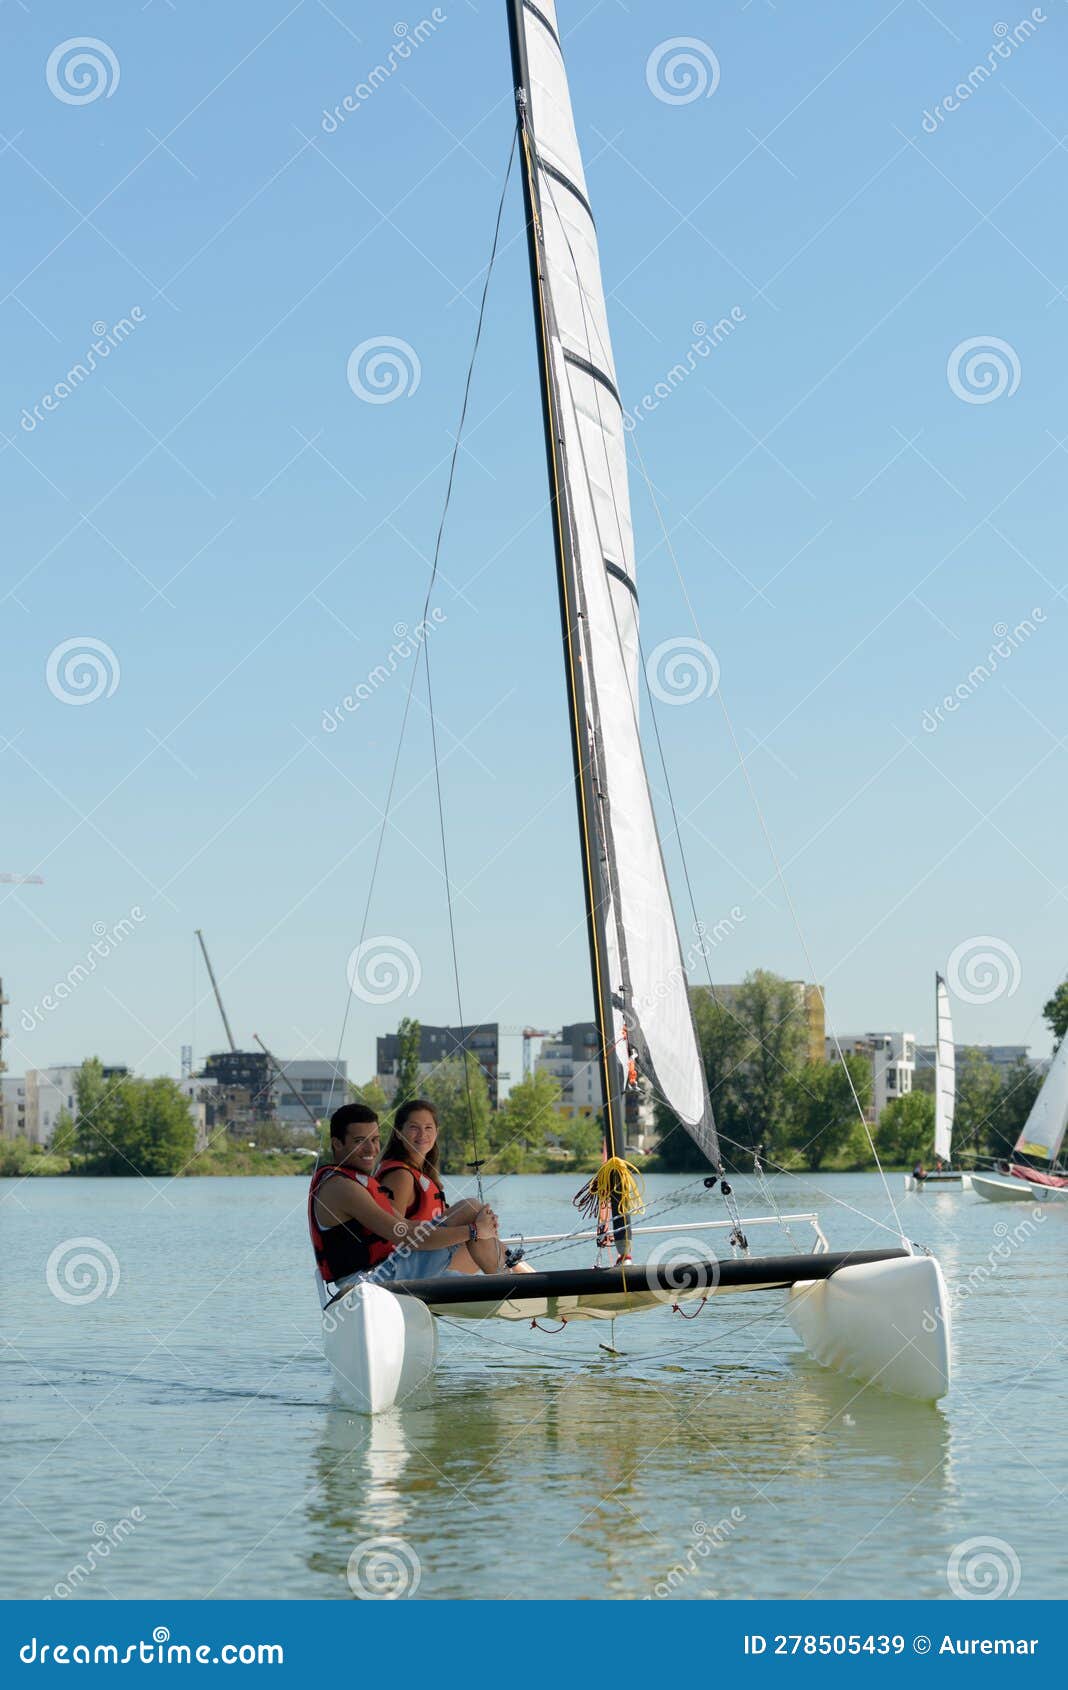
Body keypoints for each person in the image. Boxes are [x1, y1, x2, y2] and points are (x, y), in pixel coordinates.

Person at [309, 1102, 500, 1290]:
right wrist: (474, 1230)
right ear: (337, 1143)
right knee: (471, 1209)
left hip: (382, 1272)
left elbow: (406, 1226)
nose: (371, 1149)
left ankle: (506, 1282)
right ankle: (509, 1287)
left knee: (469, 1223)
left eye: (375, 1140)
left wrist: (456, 1226)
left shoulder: (353, 1181)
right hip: (368, 1283)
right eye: (360, 1141)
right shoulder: (342, 1187)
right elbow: (405, 1235)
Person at [377, 1097, 533, 1275]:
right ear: (398, 1132)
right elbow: (392, 1235)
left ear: (437, 1132)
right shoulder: (400, 1175)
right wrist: (473, 1229)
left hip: (425, 1259)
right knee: (472, 1209)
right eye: (414, 1127)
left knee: (482, 1227)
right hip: (397, 1267)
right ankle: (521, 1287)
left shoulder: (421, 1173)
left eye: (428, 1128)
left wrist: (483, 1227)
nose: (422, 1134)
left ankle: (528, 1281)